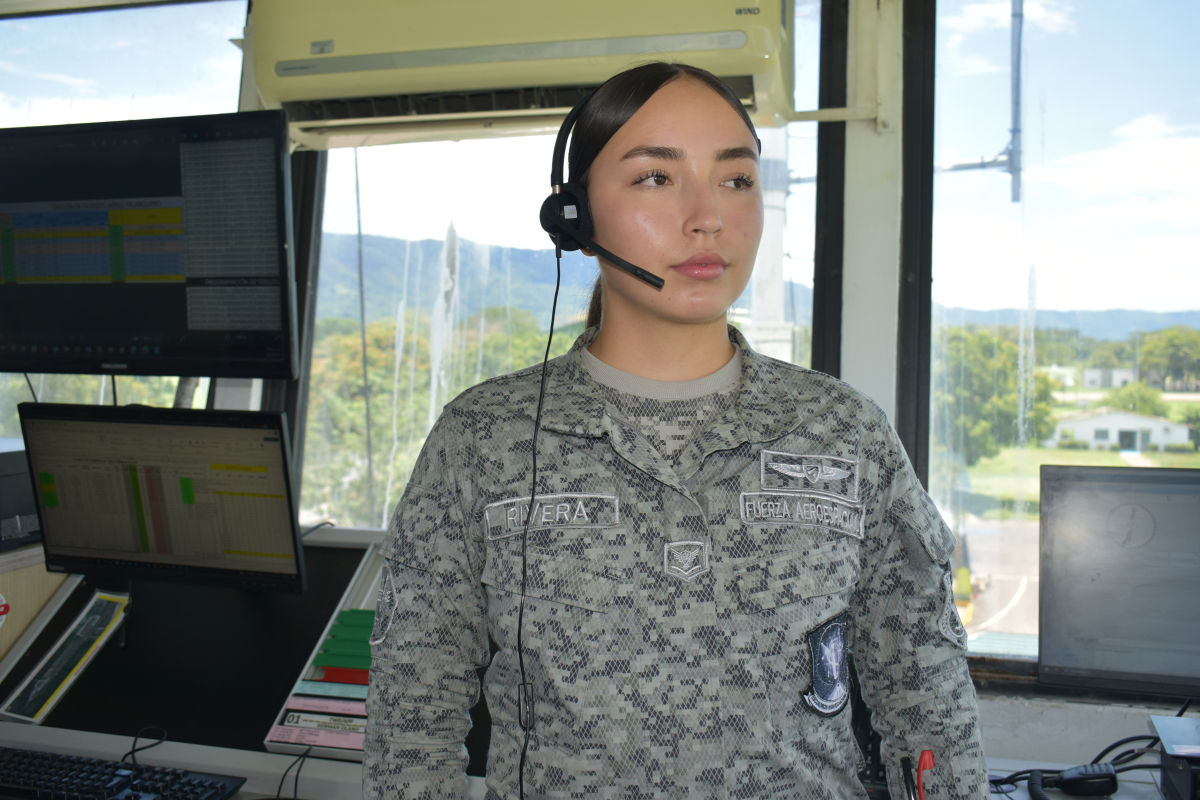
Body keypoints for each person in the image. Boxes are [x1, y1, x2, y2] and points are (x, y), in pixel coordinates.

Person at [364, 61, 986, 800]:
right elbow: (413, 713)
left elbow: (925, 686)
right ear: (578, 219)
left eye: (736, 179)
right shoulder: (486, 439)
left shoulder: (841, 430)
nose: (708, 217)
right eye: (656, 178)